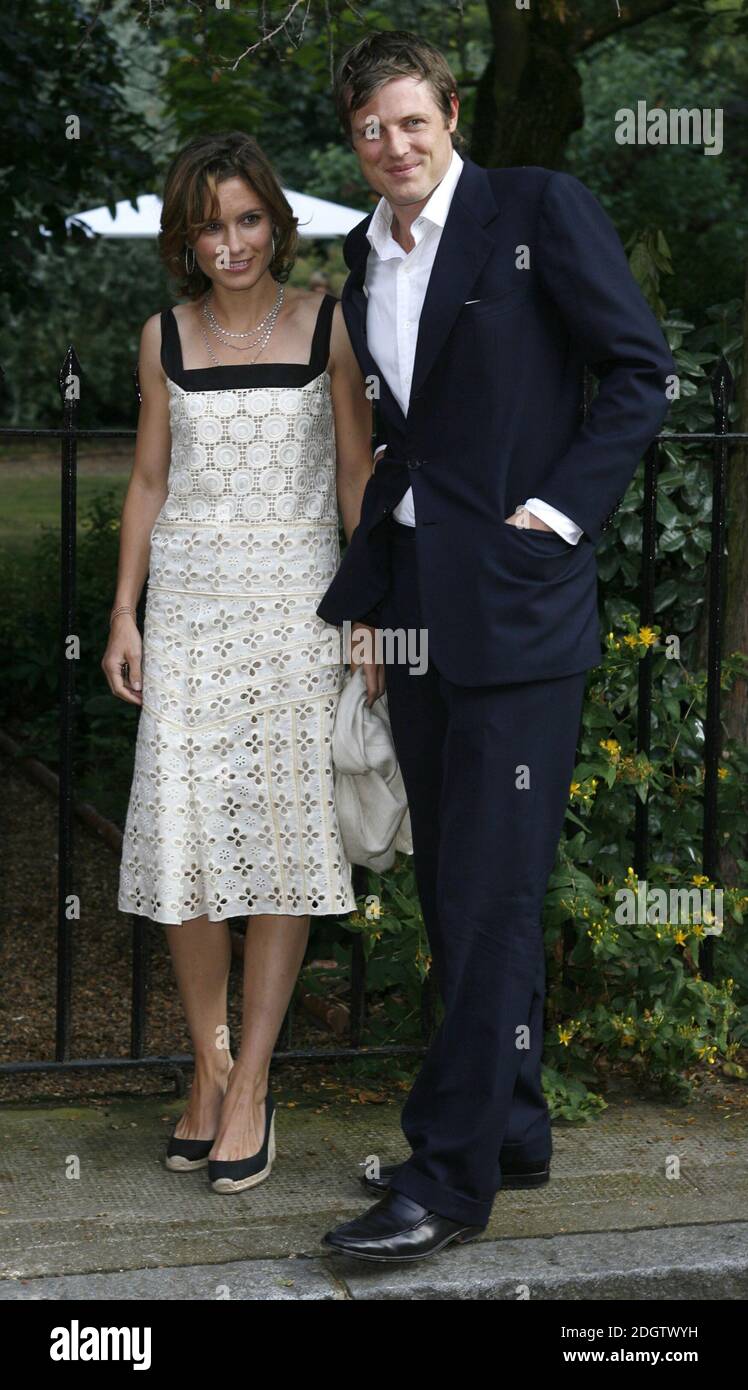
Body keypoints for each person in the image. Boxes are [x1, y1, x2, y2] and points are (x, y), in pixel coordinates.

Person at [316, 31, 676, 1261]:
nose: (392, 146)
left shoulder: (536, 208)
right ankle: (513, 1126)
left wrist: (558, 515)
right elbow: (399, 439)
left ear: (450, 113)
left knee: (484, 897)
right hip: (417, 604)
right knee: (449, 886)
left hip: (520, 607)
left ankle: (445, 1177)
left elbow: (638, 373)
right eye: (369, 129)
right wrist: (373, 598)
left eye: (410, 121)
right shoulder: (363, 259)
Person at [101, 131, 375, 1194]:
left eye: (247, 219)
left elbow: (357, 475)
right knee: (187, 855)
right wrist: (124, 613)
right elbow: (146, 482)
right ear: (187, 237)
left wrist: (366, 613)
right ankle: (208, 1066)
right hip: (189, 618)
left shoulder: (328, 324)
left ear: (276, 220)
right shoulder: (161, 336)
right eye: (209, 225)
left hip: (297, 622)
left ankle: (253, 1082)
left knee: (279, 846)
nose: (230, 242)